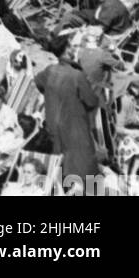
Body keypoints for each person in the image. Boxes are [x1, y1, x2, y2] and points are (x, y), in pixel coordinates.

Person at [34, 35, 101, 191]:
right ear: (67, 50)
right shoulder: (76, 75)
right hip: (74, 126)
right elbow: (91, 101)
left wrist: (50, 95)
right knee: (84, 163)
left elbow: (38, 81)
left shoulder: (49, 71)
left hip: (54, 125)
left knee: (62, 162)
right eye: (71, 46)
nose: (74, 49)